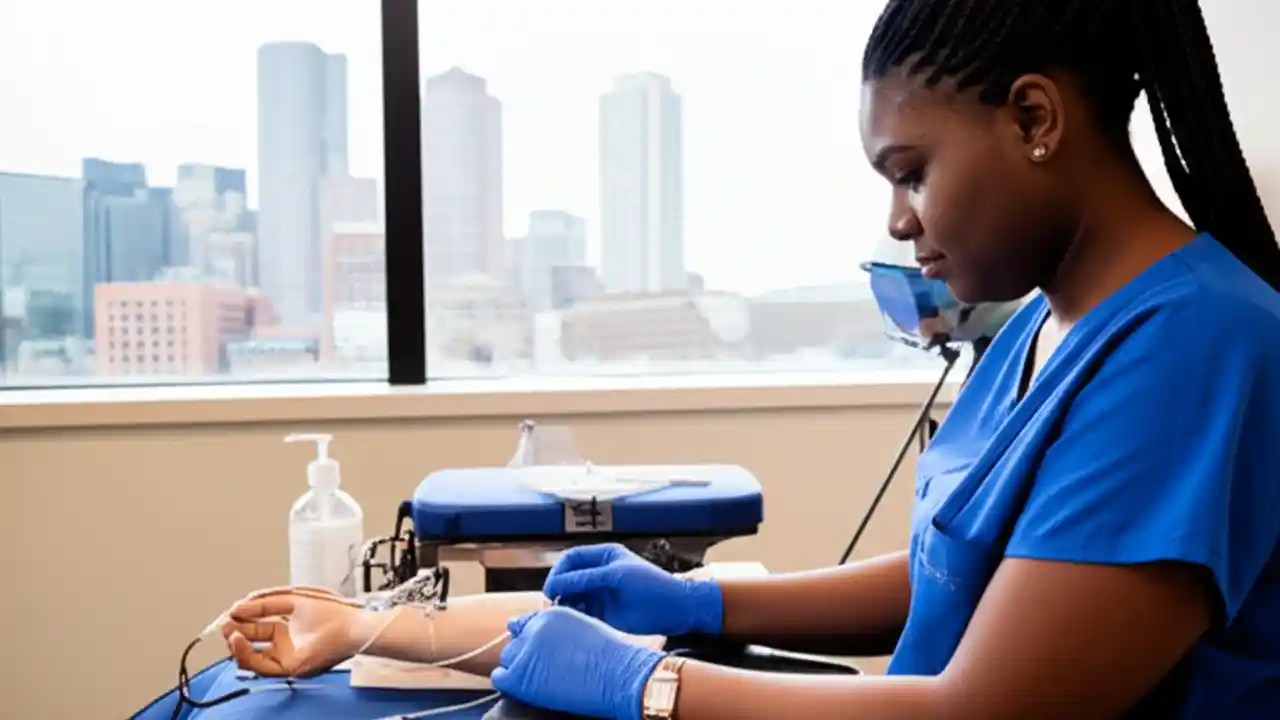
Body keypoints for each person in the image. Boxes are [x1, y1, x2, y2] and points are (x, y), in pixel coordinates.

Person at [221, 0, 1280, 717]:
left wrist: (651, 684)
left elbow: (985, 709)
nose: (899, 222)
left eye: (910, 172)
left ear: (1033, 118)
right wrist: (703, 604)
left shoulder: (1192, 348)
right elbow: (946, 578)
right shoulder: (1031, 338)